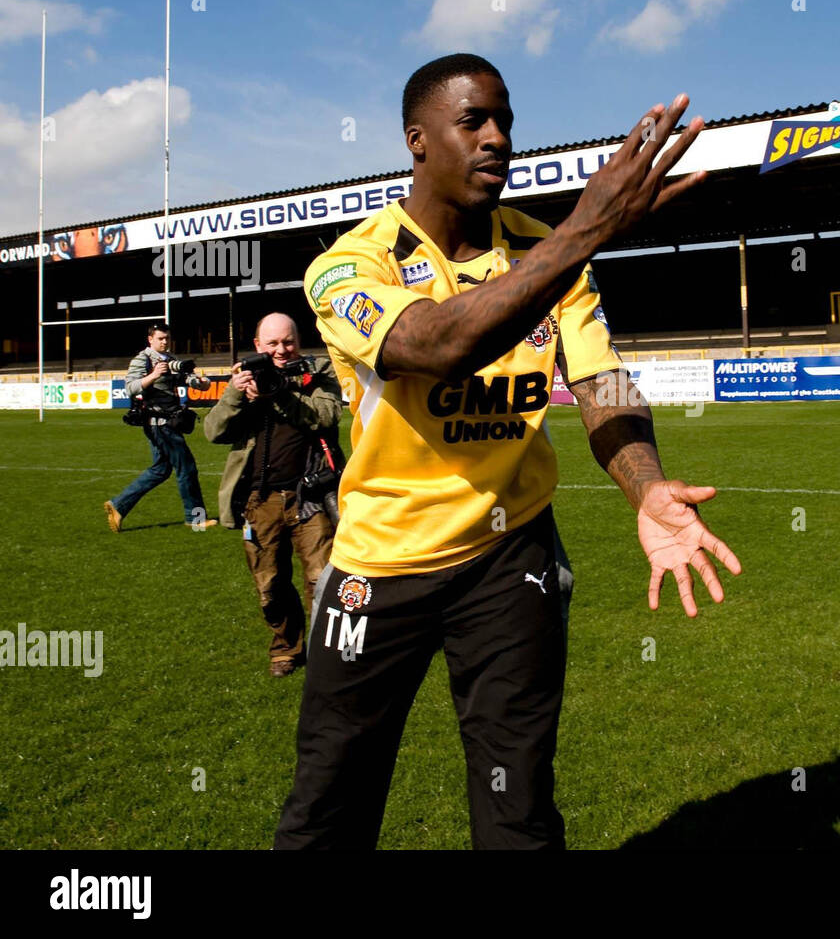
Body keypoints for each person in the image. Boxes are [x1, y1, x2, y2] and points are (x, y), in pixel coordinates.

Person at [274, 53, 742, 851]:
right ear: (417, 141)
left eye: (506, 121)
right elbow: (436, 344)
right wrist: (586, 227)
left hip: (507, 555)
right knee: (328, 805)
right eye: (473, 122)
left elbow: (603, 384)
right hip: (381, 563)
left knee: (518, 806)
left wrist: (648, 488)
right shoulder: (351, 262)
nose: (498, 139)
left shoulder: (548, 250)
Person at [204, 312, 344, 677]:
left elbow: (326, 415)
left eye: (288, 341)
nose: (281, 350)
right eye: (272, 344)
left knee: (321, 579)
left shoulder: (318, 371)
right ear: (257, 346)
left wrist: (280, 391)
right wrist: (237, 392)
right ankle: (285, 648)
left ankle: (322, 653)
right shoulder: (245, 380)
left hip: (310, 495)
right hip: (260, 499)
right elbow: (213, 431)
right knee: (269, 584)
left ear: (298, 341)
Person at [104, 322, 217, 532]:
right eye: (160, 339)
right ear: (150, 339)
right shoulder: (142, 360)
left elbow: (186, 377)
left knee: (161, 470)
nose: (165, 342)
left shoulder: (171, 359)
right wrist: (153, 375)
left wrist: (200, 383)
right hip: (160, 423)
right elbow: (129, 387)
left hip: (167, 422)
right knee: (187, 467)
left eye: (167, 338)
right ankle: (196, 519)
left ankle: (118, 505)